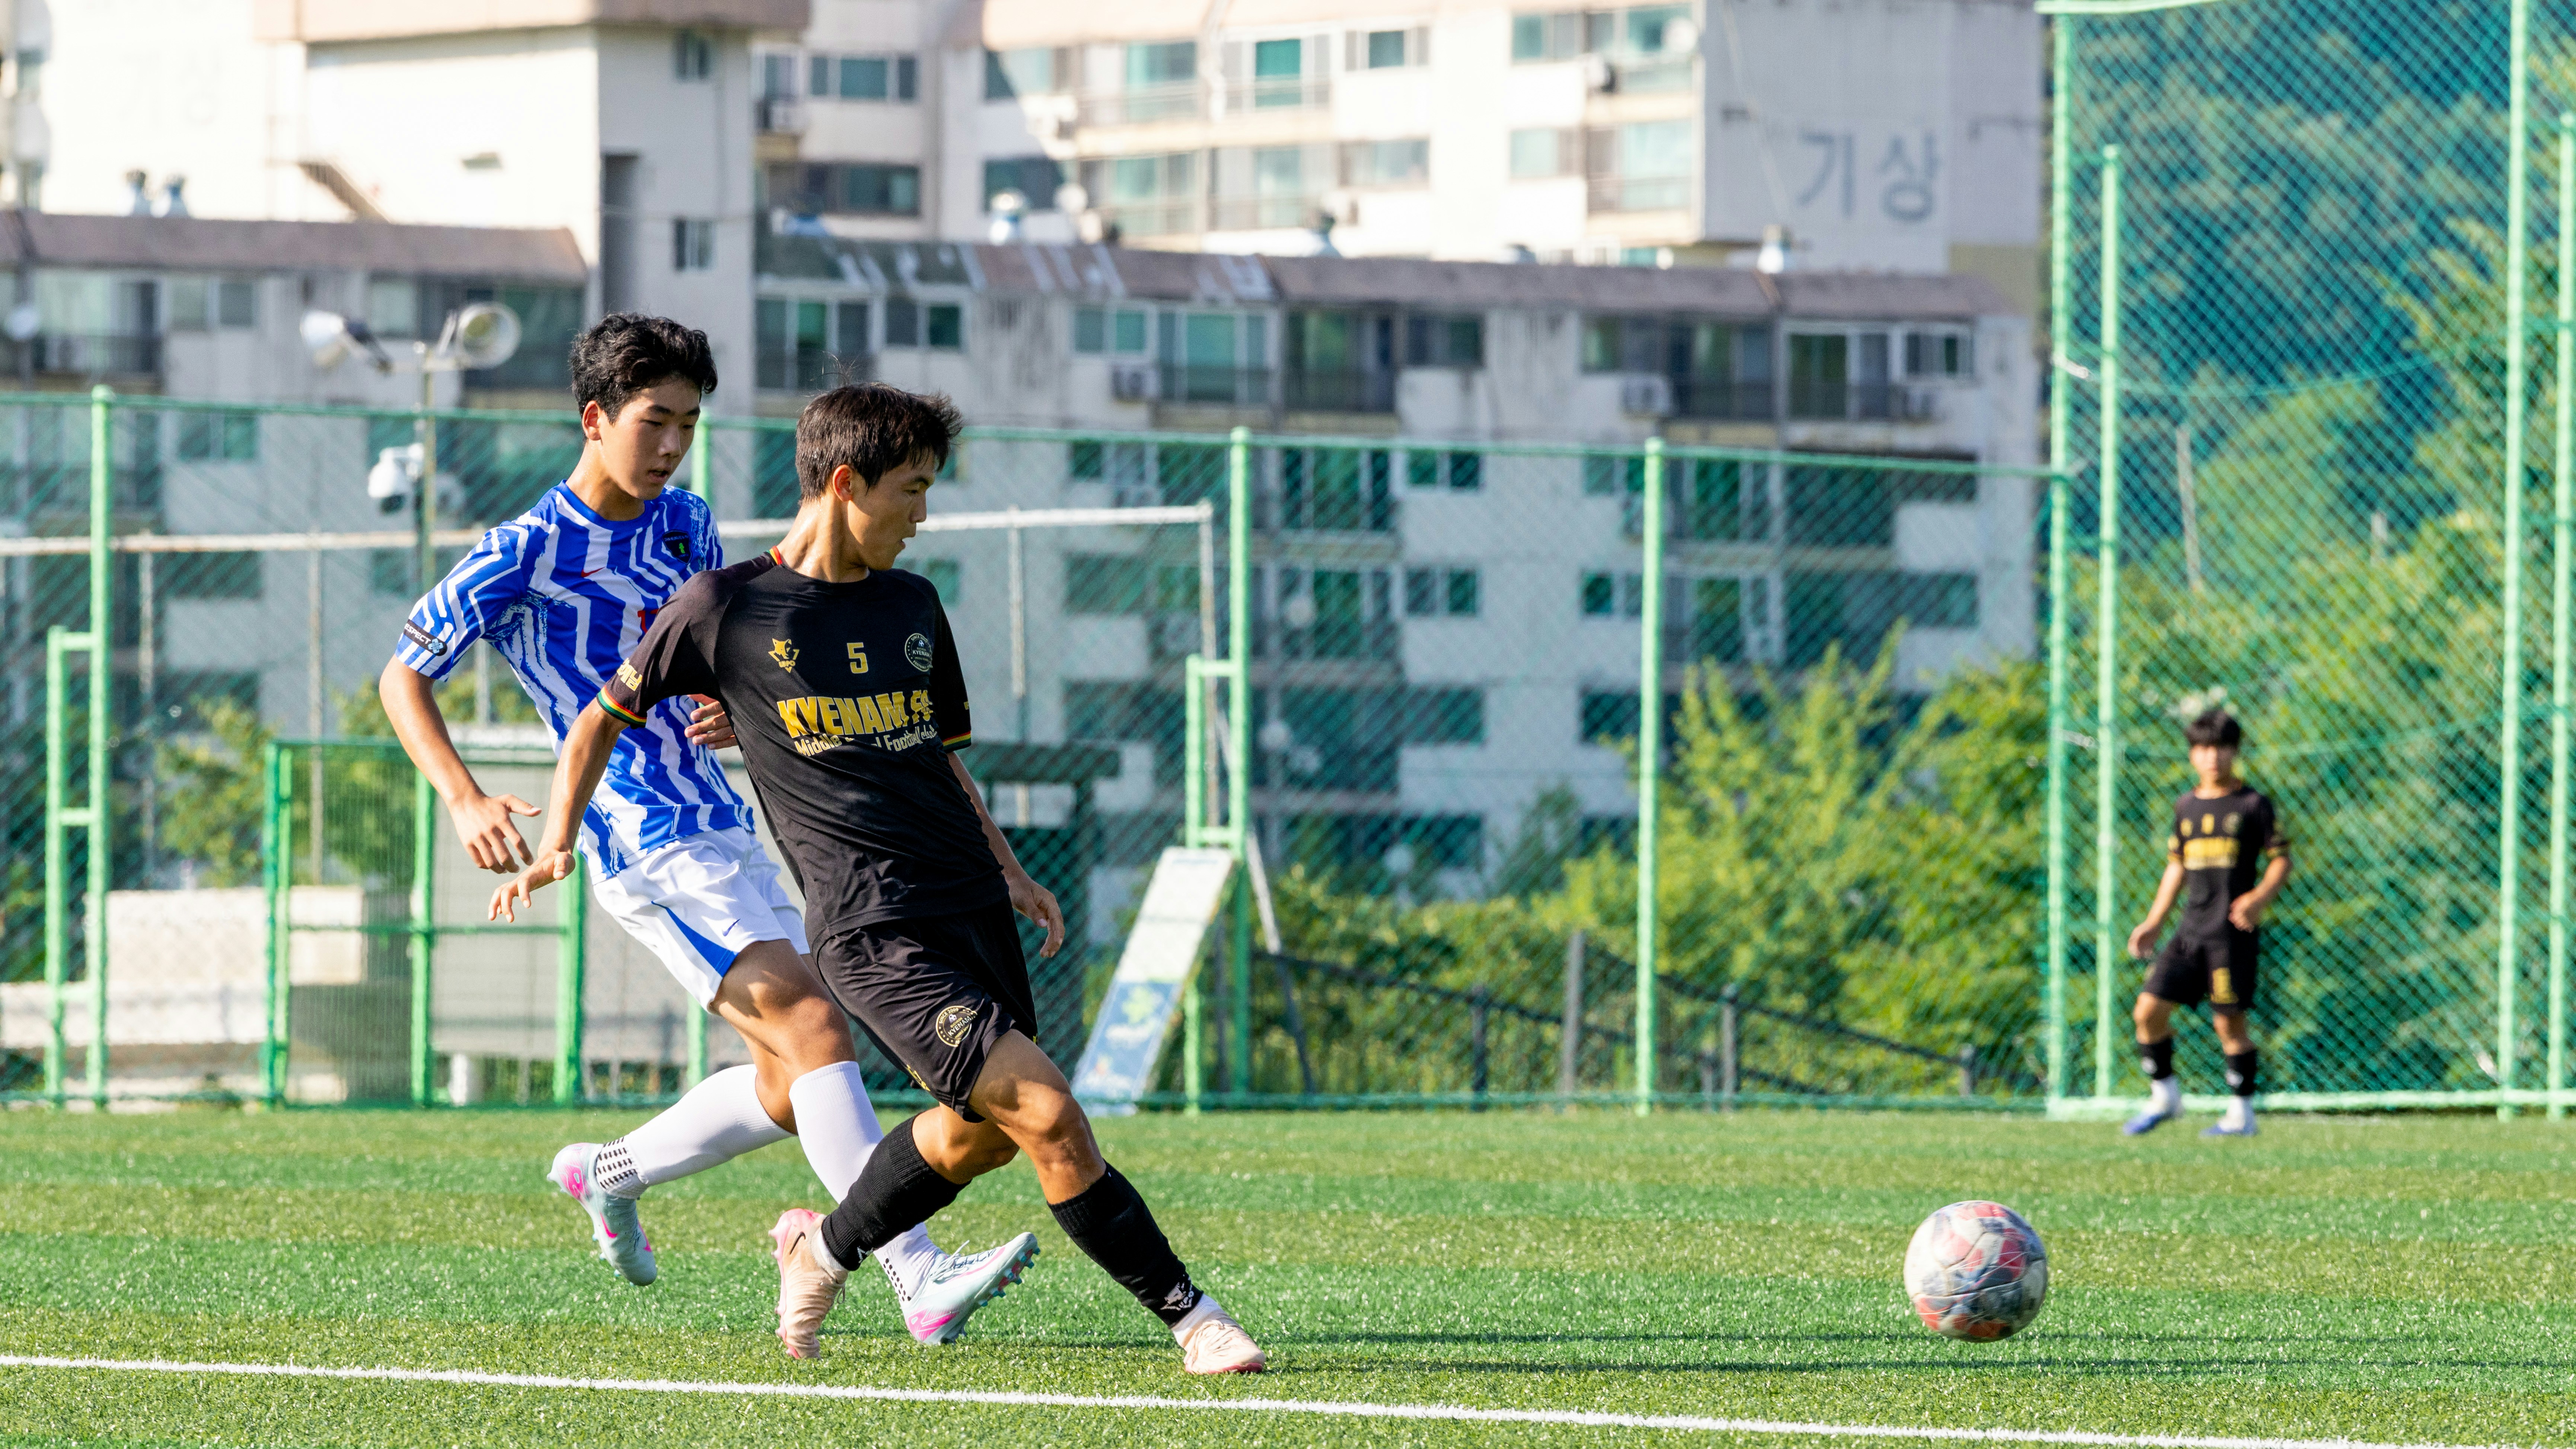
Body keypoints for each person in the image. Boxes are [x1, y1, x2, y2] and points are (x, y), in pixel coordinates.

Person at [489, 381, 1266, 1374]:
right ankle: (1194, 1317)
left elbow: (936, 750)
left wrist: (1010, 865)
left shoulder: (914, 604)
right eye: (913, 489)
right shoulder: (724, 607)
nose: (924, 515)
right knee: (1049, 1115)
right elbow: (602, 715)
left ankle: (822, 1246)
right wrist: (560, 837)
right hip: (872, 929)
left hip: (970, 902)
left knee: (982, 1134)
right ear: (845, 481)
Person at [380, 316, 1034, 1351]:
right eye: (654, 421)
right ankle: (915, 1268)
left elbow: (729, 629)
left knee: (787, 1079)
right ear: (595, 420)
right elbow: (402, 671)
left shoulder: (683, 520)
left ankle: (606, 1173)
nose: (675, 443)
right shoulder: (520, 551)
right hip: (644, 834)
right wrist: (465, 797)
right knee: (820, 1026)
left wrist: (745, 695)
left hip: (729, 812)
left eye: (690, 421)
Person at [2122, 709, 2291, 1138]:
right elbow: (2175, 866)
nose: (2211, 757)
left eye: (2219, 748)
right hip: (2187, 932)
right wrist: (2154, 921)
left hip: (2229, 936)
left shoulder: (2252, 805)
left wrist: (2257, 898)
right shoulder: (2186, 805)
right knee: (2147, 1011)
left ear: (2234, 752)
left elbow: (2280, 860)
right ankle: (2165, 1096)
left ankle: (2240, 1114)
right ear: (2191, 755)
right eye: (2201, 749)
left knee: (2228, 1024)